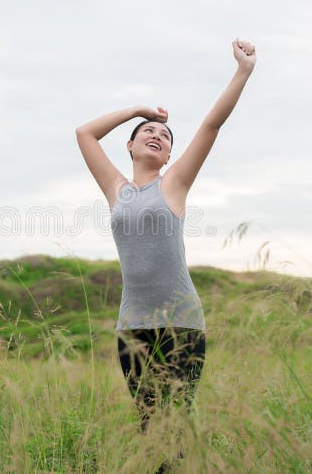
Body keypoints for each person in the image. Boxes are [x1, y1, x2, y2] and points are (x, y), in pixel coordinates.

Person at [75, 38, 257, 434]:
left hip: (181, 323)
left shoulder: (173, 184)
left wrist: (243, 72)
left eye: (166, 136)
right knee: (149, 426)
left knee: (174, 425)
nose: (158, 135)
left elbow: (211, 126)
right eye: (148, 131)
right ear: (130, 145)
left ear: (170, 155)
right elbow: (85, 133)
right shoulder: (117, 190)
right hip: (132, 327)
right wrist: (138, 111)